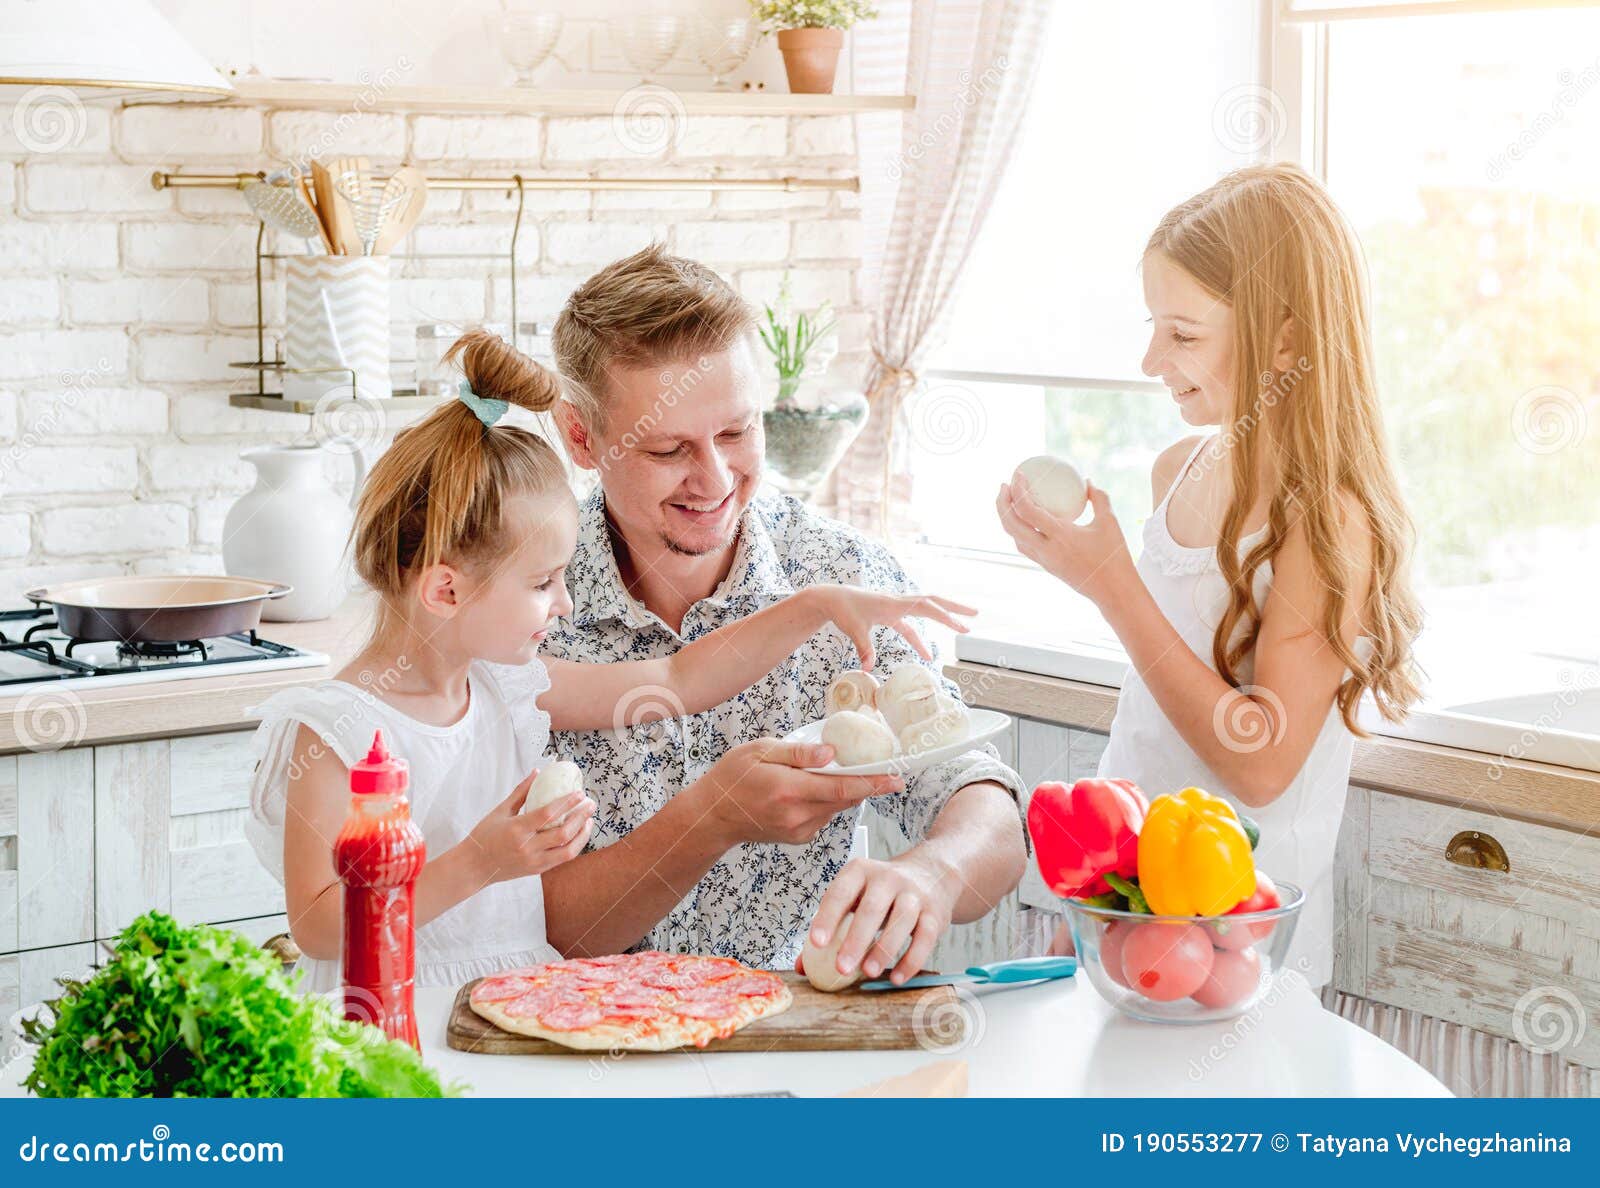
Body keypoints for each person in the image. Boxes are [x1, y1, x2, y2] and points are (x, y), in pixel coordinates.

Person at [245, 328, 975, 992]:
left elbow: (678, 678)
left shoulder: (505, 686)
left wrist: (814, 605)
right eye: (541, 584)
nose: (564, 605)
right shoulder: (335, 731)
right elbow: (316, 925)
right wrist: (481, 864)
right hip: (391, 1010)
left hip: (519, 997)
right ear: (444, 588)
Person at [538, 245, 1029, 985]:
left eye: (736, 433)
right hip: (576, 1049)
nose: (714, 478)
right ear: (581, 436)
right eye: (669, 448)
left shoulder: (843, 576)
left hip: (799, 1041)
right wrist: (711, 818)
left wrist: (934, 873)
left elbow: (984, 809)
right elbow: (547, 927)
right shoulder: (521, 606)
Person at [998, 164, 1422, 988]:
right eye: (1154, 326)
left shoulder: (1328, 518)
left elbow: (1260, 762)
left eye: (1184, 335)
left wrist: (1111, 585)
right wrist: (1095, 901)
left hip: (1243, 935)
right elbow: (1151, 726)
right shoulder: (1179, 471)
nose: (1152, 357)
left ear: (1287, 340)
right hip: (1131, 906)